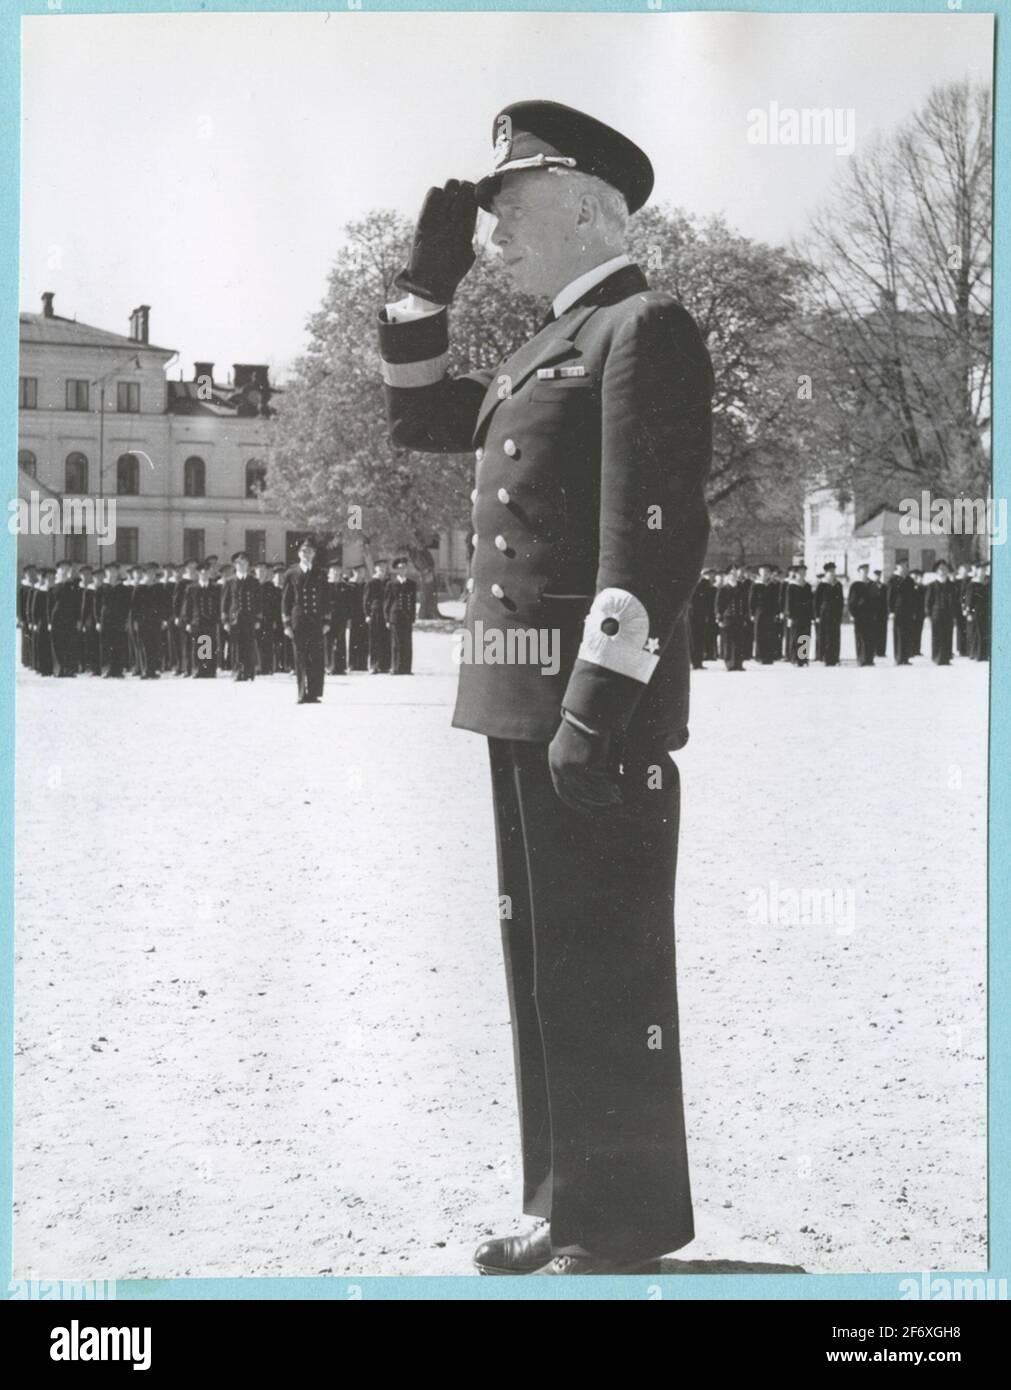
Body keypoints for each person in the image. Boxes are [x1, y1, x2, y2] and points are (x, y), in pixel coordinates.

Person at [377, 99, 712, 1275]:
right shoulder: (539, 349)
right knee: (541, 958)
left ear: (585, 204)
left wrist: (597, 707)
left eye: (508, 210)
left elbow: (652, 540)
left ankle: (619, 1221)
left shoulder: (643, 328)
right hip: (520, 699)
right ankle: (564, 1200)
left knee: (605, 955)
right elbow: (417, 408)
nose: (497, 235)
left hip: (585, 706)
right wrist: (425, 279)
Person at [282, 538, 329, 703]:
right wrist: (286, 623)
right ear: (298, 554)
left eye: (309, 551)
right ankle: (301, 693)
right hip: (299, 620)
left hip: (315, 620)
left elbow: (325, 598)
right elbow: (286, 601)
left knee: (316, 657)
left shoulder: (320, 572)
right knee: (300, 657)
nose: (306, 554)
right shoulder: (291, 573)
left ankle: (314, 693)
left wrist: (326, 621)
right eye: (303, 551)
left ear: (314, 554)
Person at [221, 551, 262, 682]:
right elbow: (225, 602)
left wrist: (258, 619)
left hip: (249, 617)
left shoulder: (253, 581)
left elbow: (258, 602)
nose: (242, 566)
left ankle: (250, 672)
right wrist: (225, 620)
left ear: (248, 565)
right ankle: (237, 671)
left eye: (244, 563)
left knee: (249, 644)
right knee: (236, 646)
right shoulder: (229, 581)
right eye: (239, 563)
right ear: (235, 565)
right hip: (235, 618)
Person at [183, 561, 220, 678]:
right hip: (197, 621)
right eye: (202, 572)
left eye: (206, 572)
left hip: (210, 621)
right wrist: (187, 621)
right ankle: (198, 669)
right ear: (198, 573)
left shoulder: (215, 587)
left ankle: (209, 670)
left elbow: (218, 604)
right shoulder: (192, 588)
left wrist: (217, 618)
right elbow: (187, 606)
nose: (204, 574)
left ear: (209, 573)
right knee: (198, 646)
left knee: (209, 645)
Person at [384, 556, 418, 674]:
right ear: (397, 570)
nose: (402, 570)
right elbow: (387, 602)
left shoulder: (412, 584)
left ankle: (406, 668)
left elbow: (413, 602)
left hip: (407, 617)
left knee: (407, 643)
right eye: (400, 568)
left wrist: (413, 616)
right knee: (396, 643)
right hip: (395, 617)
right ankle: (396, 667)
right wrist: (387, 619)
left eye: (404, 567)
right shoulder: (391, 584)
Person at [96, 563, 131, 678]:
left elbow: (127, 606)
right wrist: (97, 621)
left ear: (117, 573)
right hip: (105, 620)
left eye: (114, 571)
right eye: (109, 571)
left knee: (119, 644)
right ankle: (106, 669)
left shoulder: (123, 589)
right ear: (106, 573)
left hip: (119, 620)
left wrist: (126, 621)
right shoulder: (101, 588)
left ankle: (118, 670)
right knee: (105, 645)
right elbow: (96, 606)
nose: (112, 573)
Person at [925, 559, 958, 665]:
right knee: (937, 636)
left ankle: (946, 658)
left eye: (945, 569)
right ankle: (937, 657)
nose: (943, 571)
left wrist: (955, 615)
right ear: (936, 571)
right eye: (940, 569)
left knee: (948, 635)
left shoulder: (952, 585)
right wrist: (928, 615)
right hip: (937, 614)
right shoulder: (932, 585)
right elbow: (928, 602)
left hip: (949, 614)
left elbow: (955, 601)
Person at [716, 564, 749, 670]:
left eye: (735, 573)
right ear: (728, 575)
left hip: (739, 617)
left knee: (739, 641)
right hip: (728, 618)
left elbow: (745, 604)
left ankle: (739, 664)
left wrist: (745, 616)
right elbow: (718, 605)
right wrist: (719, 617)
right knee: (728, 642)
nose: (734, 575)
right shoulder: (723, 588)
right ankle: (729, 663)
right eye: (732, 573)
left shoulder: (741, 587)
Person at [846, 563, 877, 666]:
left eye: (867, 571)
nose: (865, 573)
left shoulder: (872, 584)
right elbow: (851, 601)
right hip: (859, 615)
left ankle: (870, 659)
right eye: (863, 571)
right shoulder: (855, 585)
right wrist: (852, 613)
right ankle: (861, 659)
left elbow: (876, 600)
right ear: (859, 572)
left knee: (871, 637)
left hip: (870, 615)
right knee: (861, 638)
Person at [748, 563, 779, 665]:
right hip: (759, 613)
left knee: (770, 634)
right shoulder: (756, 585)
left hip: (770, 613)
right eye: (763, 572)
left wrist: (776, 613)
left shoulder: (772, 585)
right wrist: (752, 613)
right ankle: (760, 656)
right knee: (760, 634)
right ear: (760, 573)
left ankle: (769, 657)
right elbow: (751, 600)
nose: (765, 574)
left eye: (767, 572)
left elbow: (775, 600)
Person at [887, 560, 917, 665]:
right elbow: (890, 596)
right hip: (897, 610)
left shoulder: (909, 580)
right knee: (899, 633)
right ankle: (899, 657)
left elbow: (913, 597)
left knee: (907, 633)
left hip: (908, 610)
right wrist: (891, 611)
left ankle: (906, 658)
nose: (905, 568)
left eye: (906, 566)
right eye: (902, 566)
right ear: (897, 566)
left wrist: (913, 611)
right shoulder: (893, 580)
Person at [813, 562, 843, 666]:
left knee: (835, 636)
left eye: (833, 571)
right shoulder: (821, 585)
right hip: (824, 614)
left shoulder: (838, 585)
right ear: (826, 573)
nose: (832, 573)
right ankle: (825, 658)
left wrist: (840, 613)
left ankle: (835, 658)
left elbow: (841, 601)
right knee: (825, 636)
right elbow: (816, 601)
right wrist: (816, 615)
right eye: (830, 571)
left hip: (835, 614)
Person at [365, 559, 392, 673]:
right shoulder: (371, 582)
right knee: (374, 639)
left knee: (386, 638)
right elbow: (366, 599)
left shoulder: (388, 582)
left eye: (384, 567)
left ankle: (385, 665)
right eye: (380, 567)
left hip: (386, 613)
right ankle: (373, 665)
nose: (382, 569)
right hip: (375, 613)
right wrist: (367, 614)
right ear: (375, 568)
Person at [784, 564, 814, 666]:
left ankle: (803, 658)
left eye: (804, 572)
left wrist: (812, 615)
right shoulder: (792, 586)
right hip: (795, 616)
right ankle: (795, 658)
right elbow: (788, 602)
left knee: (805, 636)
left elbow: (811, 602)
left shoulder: (807, 586)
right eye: (800, 572)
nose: (802, 574)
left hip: (806, 615)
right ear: (796, 574)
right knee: (795, 636)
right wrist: (789, 616)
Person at [326, 563, 350, 675]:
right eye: (334, 571)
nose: (336, 573)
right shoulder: (325, 586)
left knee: (341, 641)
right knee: (328, 642)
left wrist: (348, 617)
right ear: (329, 572)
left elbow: (348, 603)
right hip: (328, 618)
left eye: (338, 571)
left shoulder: (344, 586)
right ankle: (328, 666)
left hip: (341, 618)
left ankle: (340, 667)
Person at [347, 565, 369, 670]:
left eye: (363, 572)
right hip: (353, 616)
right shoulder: (349, 585)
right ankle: (352, 664)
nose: (361, 574)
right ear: (354, 572)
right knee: (353, 639)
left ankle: (363, 664)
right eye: (359, 572)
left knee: (364, 639)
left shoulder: (366, 585)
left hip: (364, 615)